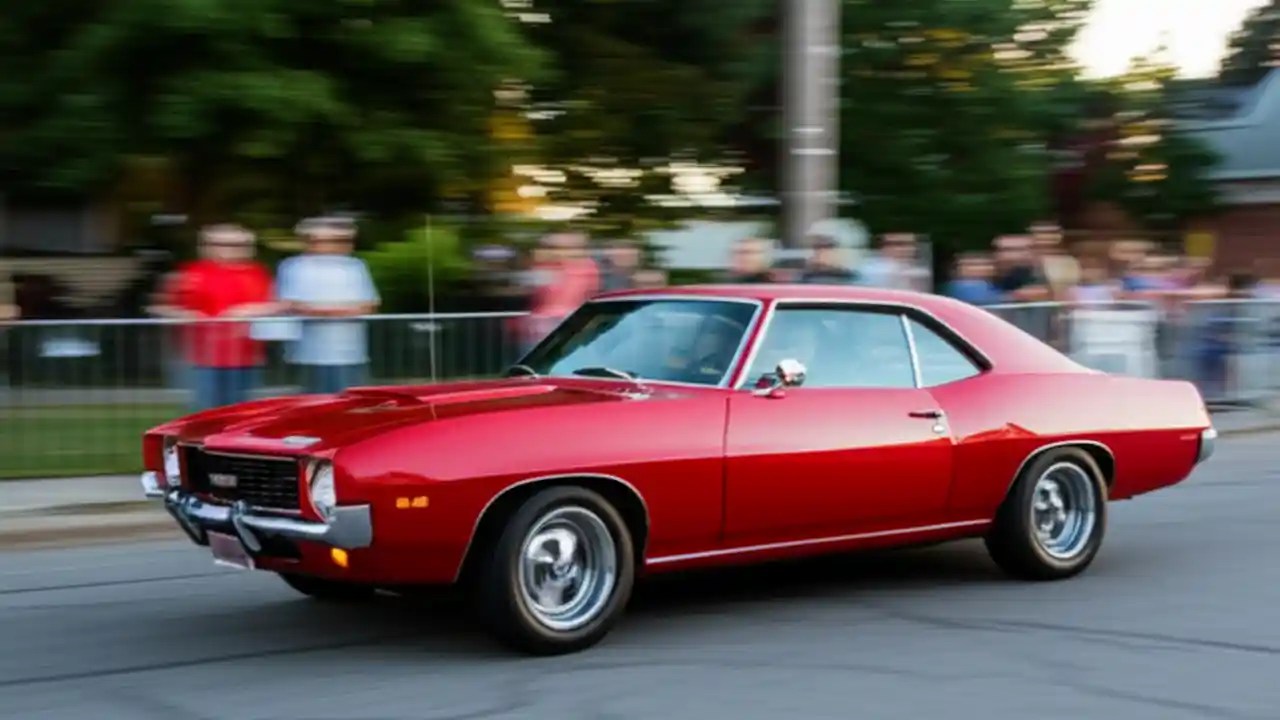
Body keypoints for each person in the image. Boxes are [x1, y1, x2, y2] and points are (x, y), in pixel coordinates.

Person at [150, 224, 274, 411]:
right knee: (204, 410)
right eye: (219, 243)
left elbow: (278, 304)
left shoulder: (258, 273)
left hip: (246, 354)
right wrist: (186, 315)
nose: (228, 250)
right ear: (205, 246)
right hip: (200, 357)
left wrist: (252, 310)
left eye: (238, 245)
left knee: (240, 410)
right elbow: (159, 307)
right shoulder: (188, 273)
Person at [275, 216, 381, 394]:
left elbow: (370, 304)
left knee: (353, 399)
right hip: (309, 353)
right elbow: (289, 303)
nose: (344, 244)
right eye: (336, 240)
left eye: (346, 240)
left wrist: (326, 311)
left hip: (352, 351)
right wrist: (340, 312)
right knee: (314, 402)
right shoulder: (293, 266)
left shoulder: (356, 265)